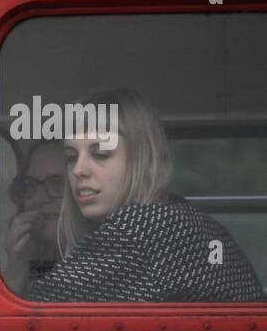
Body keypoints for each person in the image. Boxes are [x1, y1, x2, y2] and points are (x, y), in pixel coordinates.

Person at [27, 89, 263, 303]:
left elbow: (39, 308)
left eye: (101, 154)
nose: (78, 170)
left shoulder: (143, 227)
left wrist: (20, 266)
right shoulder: (175, 214)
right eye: (70, 157)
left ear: (141, 160)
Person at [3, 138, 65, 296]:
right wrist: (17, 266)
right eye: (31, 185)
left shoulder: (104, 262)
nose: (38, 198)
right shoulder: (43, 264)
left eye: (56, 184)